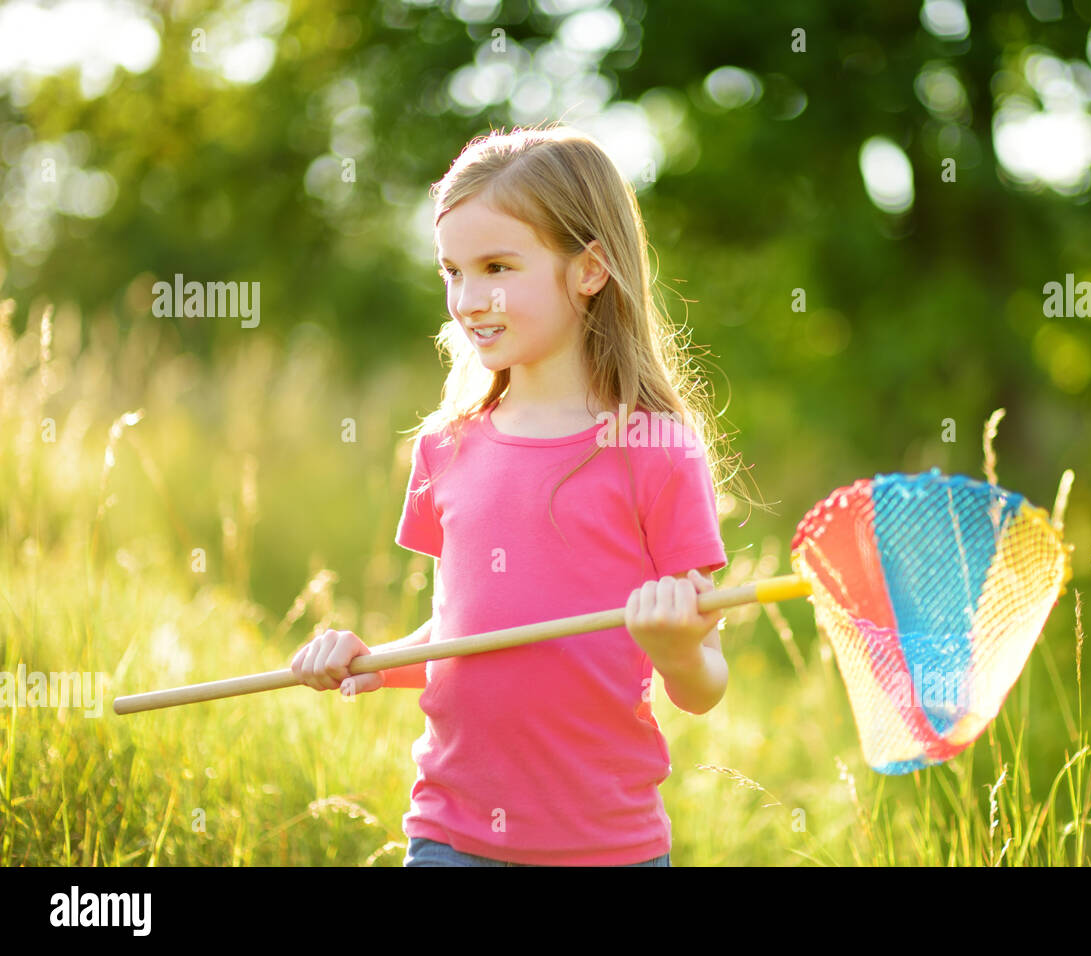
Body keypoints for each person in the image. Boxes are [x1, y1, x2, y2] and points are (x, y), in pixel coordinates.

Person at [290, 124, 756, 867]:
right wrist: (369, 658)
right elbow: (465, 637)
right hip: (450, 833)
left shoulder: (657, 451)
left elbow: (703, 687)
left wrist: (675, 653)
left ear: (590, 269)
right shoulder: (448, 445)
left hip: (607, 846)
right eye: (452, 271)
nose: (468, 299)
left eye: (498, 266)